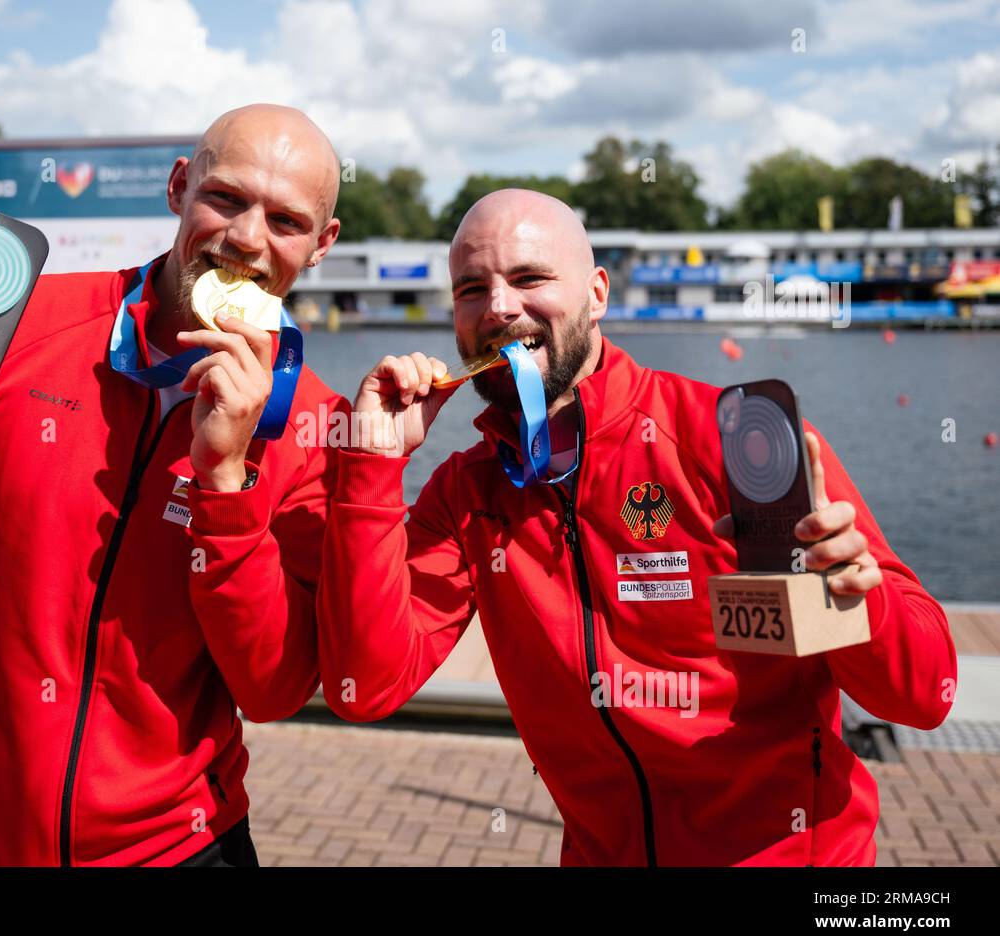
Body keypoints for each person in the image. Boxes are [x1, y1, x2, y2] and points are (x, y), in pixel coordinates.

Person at [316, 188, 957, 866]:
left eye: (530, 278)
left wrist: (860, 607)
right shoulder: (467, 492)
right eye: (472, 288)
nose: (500, 307)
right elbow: (366, 686)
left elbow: (923, 696)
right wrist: (372, 466)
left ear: (597, 294)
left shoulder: (735, 439)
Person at [0, 104, 348, 866]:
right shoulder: (0, 316)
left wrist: (225, 480)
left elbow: (275, 685)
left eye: (285, 220)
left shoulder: (317, 422)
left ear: (321, 246)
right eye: (225, 197)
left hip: (179, 847)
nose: (247, 238)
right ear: (179, 187)